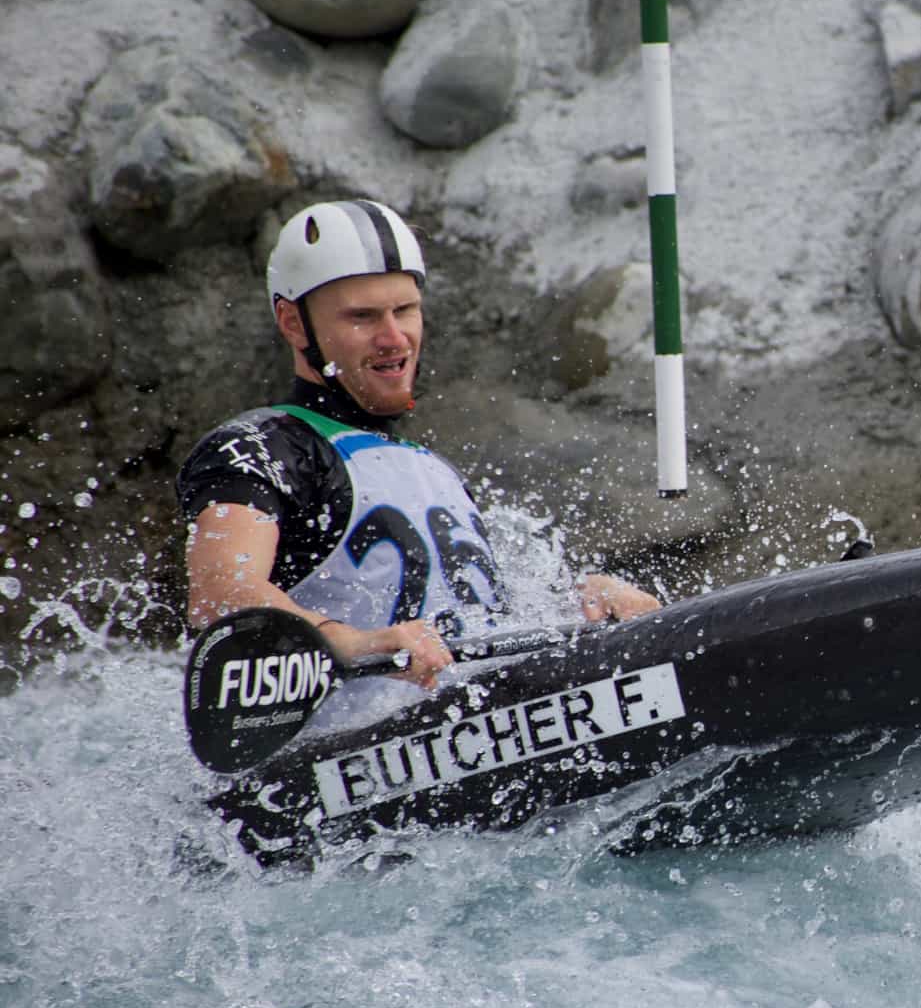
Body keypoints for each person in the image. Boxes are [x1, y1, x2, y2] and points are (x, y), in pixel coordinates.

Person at [178, 198, 660, 693]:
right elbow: (220, 593)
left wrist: (579, 599)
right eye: (362, 317)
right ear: (294, 324)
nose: (394, 338)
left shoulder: (432, 469)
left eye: (404, 310)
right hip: (347, 747)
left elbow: (477, 616)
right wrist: (351, 642)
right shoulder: (259, 448)